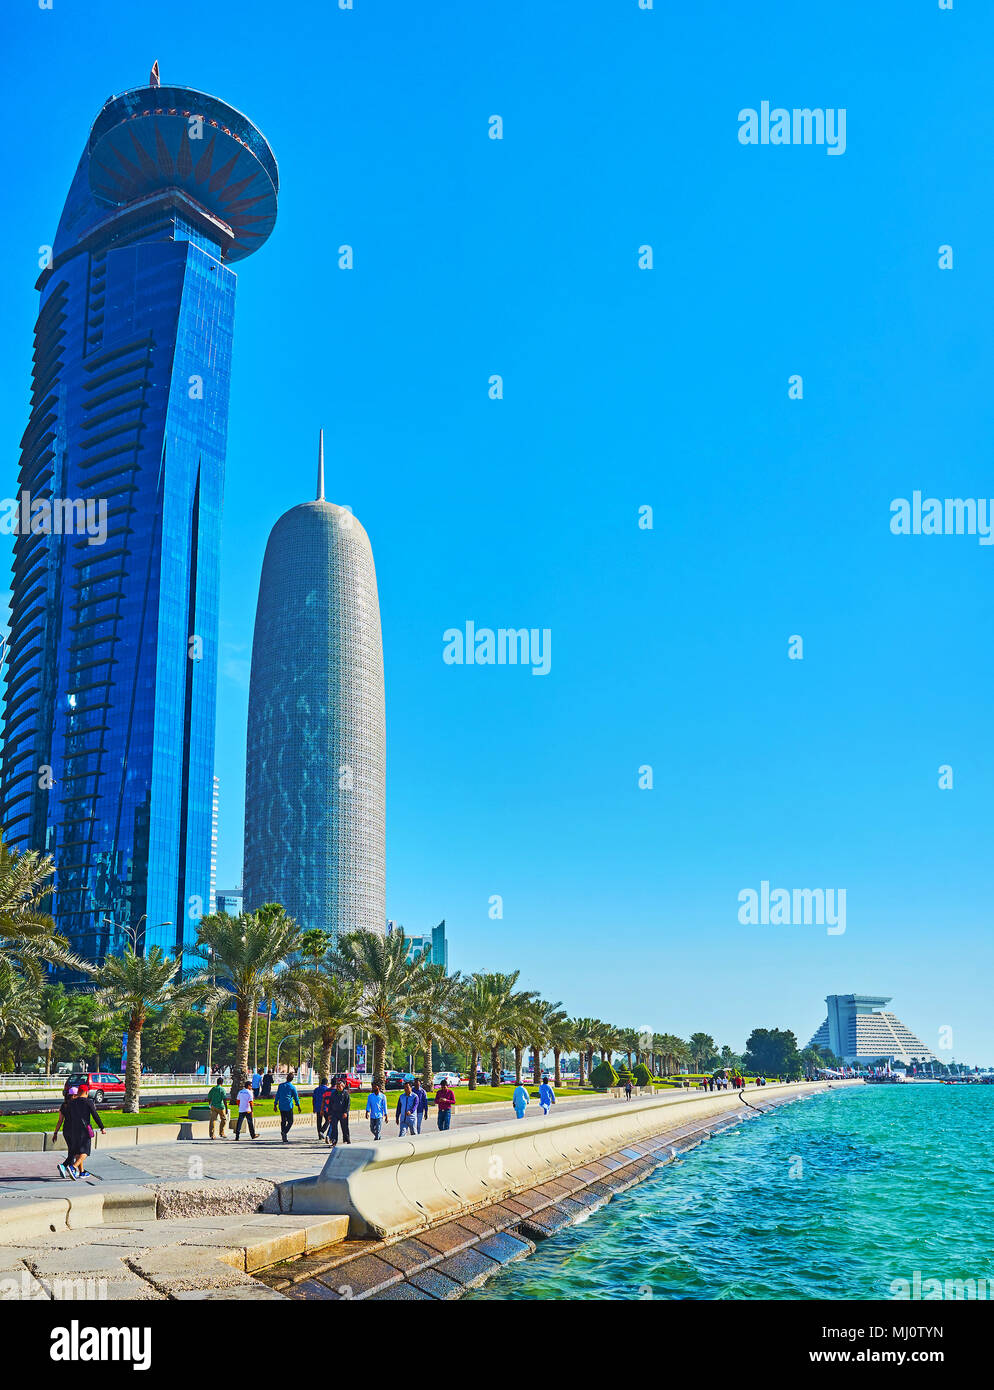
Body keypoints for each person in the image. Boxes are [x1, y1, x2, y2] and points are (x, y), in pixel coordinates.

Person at [61, 1083, 105, 1179]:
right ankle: (73, 1167)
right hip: (84, 1130)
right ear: (86, 1092)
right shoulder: (88, 1102)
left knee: (77, 1151)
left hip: (73, 1130)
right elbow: (95, 1115)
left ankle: (82, 1172)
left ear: (78, 1092)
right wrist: (102, 1127)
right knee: (85, 1151)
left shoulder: (71, 1103)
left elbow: (68, 1116)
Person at [275, 1071, 301, 1142]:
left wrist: (275, 1104)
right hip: (288, 1106)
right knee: (290, 1121)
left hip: (281, 1106)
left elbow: (277, 1095)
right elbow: (296, 1097)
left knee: (283, 1121)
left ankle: (284, 1135)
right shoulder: (292, 1087)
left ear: (286, 1078)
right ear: (292, 1079)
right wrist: (298, 1106)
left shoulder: (281, 1086)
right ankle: (284, 1132)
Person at [324, 1080, 351, 1147]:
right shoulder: (333, 1094)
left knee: (344, 1127)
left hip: (342, 1113)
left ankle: (347, 1140)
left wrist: (345, 1112)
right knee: (334, 1128)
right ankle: (334, 1141)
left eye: (339, 1086)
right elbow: (330, 1104)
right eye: (337, 1086)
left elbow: (348, 1104)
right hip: (334, 1113)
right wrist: (329, 1114)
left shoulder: (345, 1093)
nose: (338, 1088)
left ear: (343, 1087)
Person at [207, 1075, 228, 1139]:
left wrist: (210, 1105)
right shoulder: (222, 1089)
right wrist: (226, 1108)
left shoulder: (213, 1089)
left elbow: (209, 1097)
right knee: (224, 1120)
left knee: (212, 1120)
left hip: (213, 1106)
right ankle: (221, 1133)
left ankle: (212, 1134)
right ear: (222, 1083)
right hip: (221, 1107)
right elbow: (224, 1099)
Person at [312, 1075, 330, 1139]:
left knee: (319, 1121)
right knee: (328, 1120)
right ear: (327, 1083)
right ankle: (322, 1131)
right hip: (325, 1107)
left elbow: (313, 1099)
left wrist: (314, 1107)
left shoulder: (316, 1089)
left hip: (317, 1107)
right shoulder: (327, 1090)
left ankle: (319, 1135)